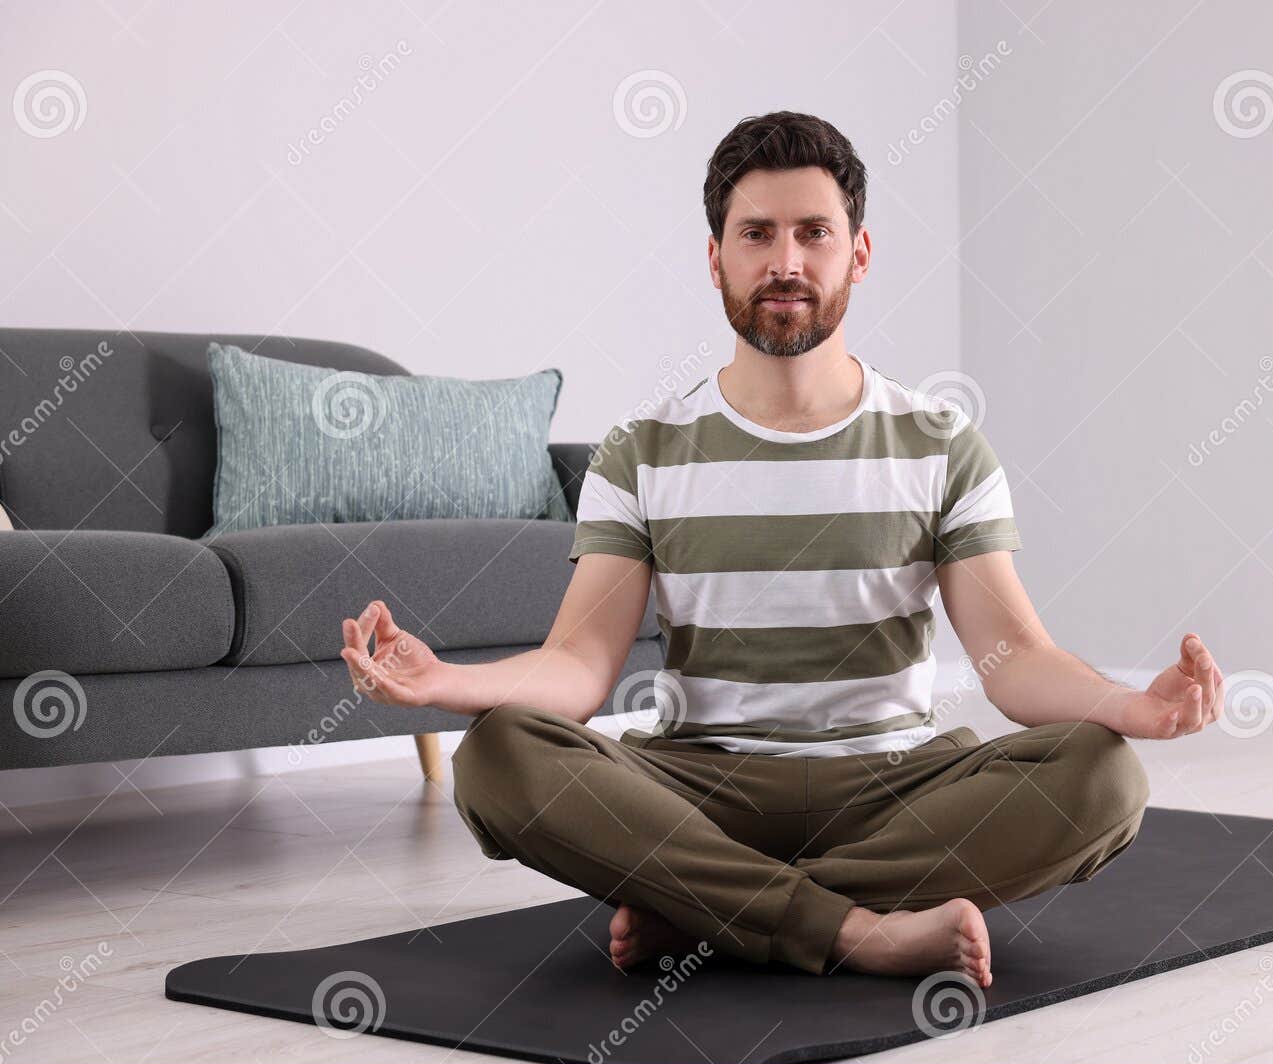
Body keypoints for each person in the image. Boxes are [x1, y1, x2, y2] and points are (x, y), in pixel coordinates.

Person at [340, 110, 1226, 989]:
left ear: (859, 254)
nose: (786, 262)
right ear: (716, 258)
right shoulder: (641, 450)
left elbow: (1015, 659)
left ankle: (708, 912)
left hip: (894, 788)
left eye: (814, 233)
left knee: (1103, 778)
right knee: (497, 756)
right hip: (699, 789)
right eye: (757, 233)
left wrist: (1129, 705)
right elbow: (579, 665)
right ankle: (857, 930)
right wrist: (448, 682)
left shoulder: (940, 442)